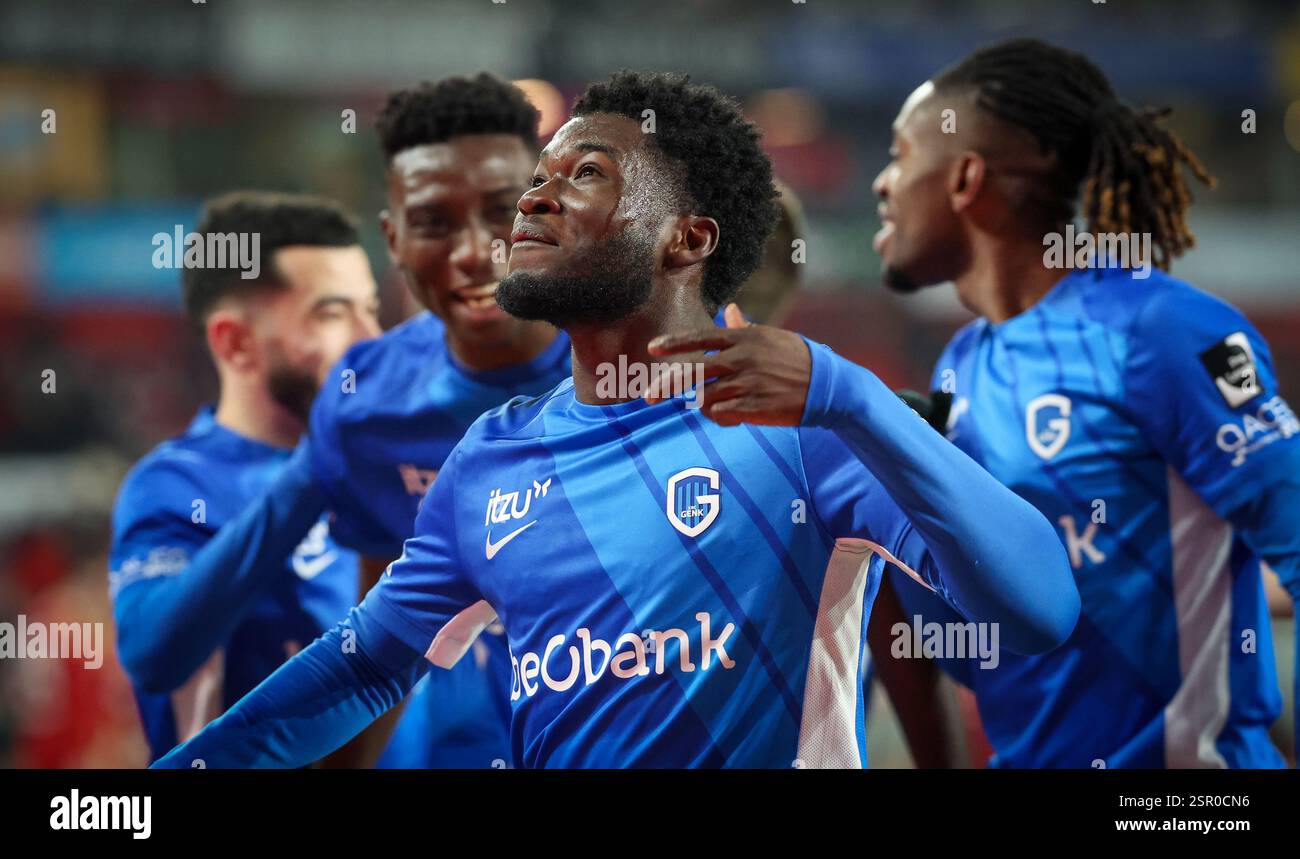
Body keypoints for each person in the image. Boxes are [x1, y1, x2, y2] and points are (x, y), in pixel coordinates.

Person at [154, 71, 1077, 769]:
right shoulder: (490, 460)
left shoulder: (813, 426)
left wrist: (854, 396)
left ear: (687, 236)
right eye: (540, 176)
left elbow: (1041, 609)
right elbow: (361, 666)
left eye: (585, 173)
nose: (533, 197)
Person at [874, 37, 1300, 767]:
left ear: (966, 178)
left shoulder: (1161, 331)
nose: (882, 183)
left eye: (900, 154)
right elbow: (981, 655)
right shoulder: (958, 370)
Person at [109, 191, 380, 764]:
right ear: (236, 342)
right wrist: (315, 470)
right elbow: (154, 651)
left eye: (371, 308)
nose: (370, 338)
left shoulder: (383, 468)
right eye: (333, 313)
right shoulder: (173, 485)